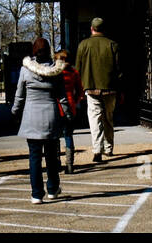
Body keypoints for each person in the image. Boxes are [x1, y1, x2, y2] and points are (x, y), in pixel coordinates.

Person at [11, 36, 66, 203]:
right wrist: (68, 114)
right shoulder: (56, 71)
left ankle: (36, 194)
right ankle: (53, 188)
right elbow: (62, 96)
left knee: (34, 157)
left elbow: (20, 96)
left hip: (31, 117)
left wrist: (15, 111)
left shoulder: (26, 70)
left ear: (34, 51)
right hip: (50, 116)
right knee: (51, 155)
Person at [74, 17, 122, 163]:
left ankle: (97, 149)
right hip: (110, 88)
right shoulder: (112, 45)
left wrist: (80, 89)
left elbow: (78, 69)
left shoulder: (83, 45)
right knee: (108, 118)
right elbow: (119, 70)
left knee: (95, 120)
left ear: (91, 28)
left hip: (91, 88)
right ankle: (108, 148)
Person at [55, 48, 85, 173]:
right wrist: (75, 101)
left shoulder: (55, 73)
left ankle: (56, 163)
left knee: (55, 137)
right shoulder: (74, 72)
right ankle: (70, 164)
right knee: (68, 135)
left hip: (56, 107)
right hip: (70, 106)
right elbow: (80, 91)